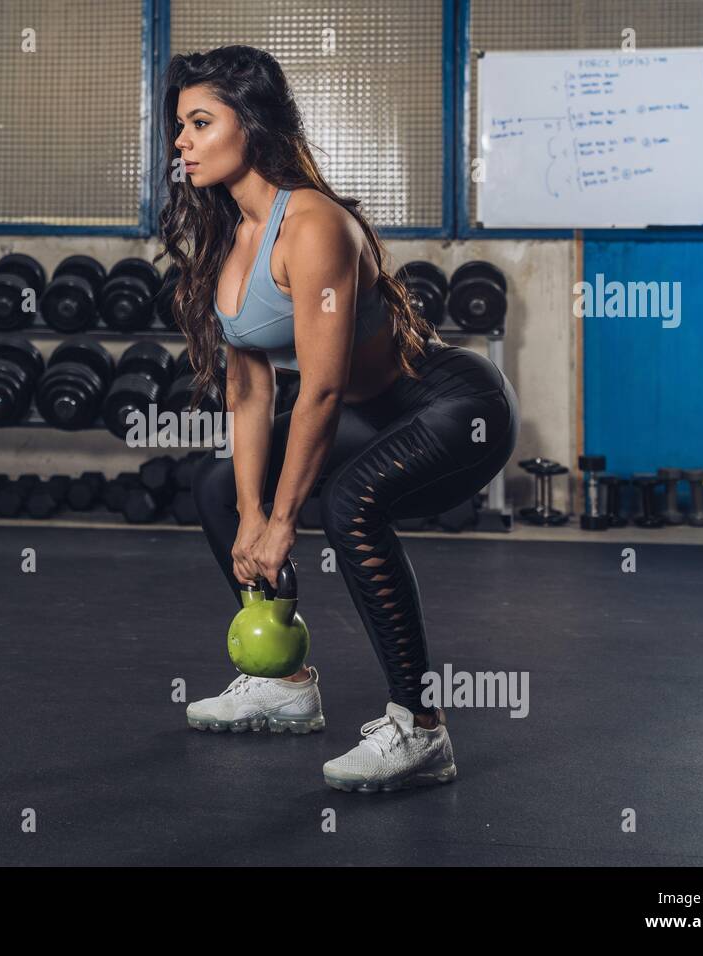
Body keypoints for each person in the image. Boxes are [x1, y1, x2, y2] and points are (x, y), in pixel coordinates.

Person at [156, 46, 519, 793]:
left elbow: (317, 391)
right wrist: (254, 513)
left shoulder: (314, 225)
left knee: (353, 500)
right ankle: (284, 681)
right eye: (179, 125)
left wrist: (284, 519)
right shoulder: (230, 239)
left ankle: (421, 728)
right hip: (368, 412)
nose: (180, 142)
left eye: (199, 122)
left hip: (449, 404)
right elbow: (250, 392)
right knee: (217, 487)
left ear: (250, 127)